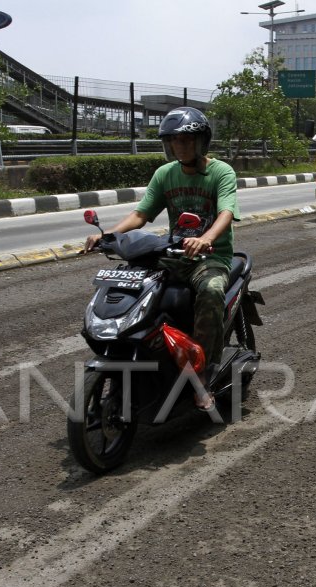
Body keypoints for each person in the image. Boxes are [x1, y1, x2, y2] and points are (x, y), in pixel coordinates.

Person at [84, 106, 239, 408]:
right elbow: (141, 214)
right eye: (174, 141)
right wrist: (109, 236)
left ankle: (203, 374)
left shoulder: (221, 172)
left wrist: (206, 239)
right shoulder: (165, 174)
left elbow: (226, 212)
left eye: (186, 140)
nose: (179, 146)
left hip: (209, 258)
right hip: (172, 255)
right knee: (135, 290)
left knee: (210, 291)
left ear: (201, 141)